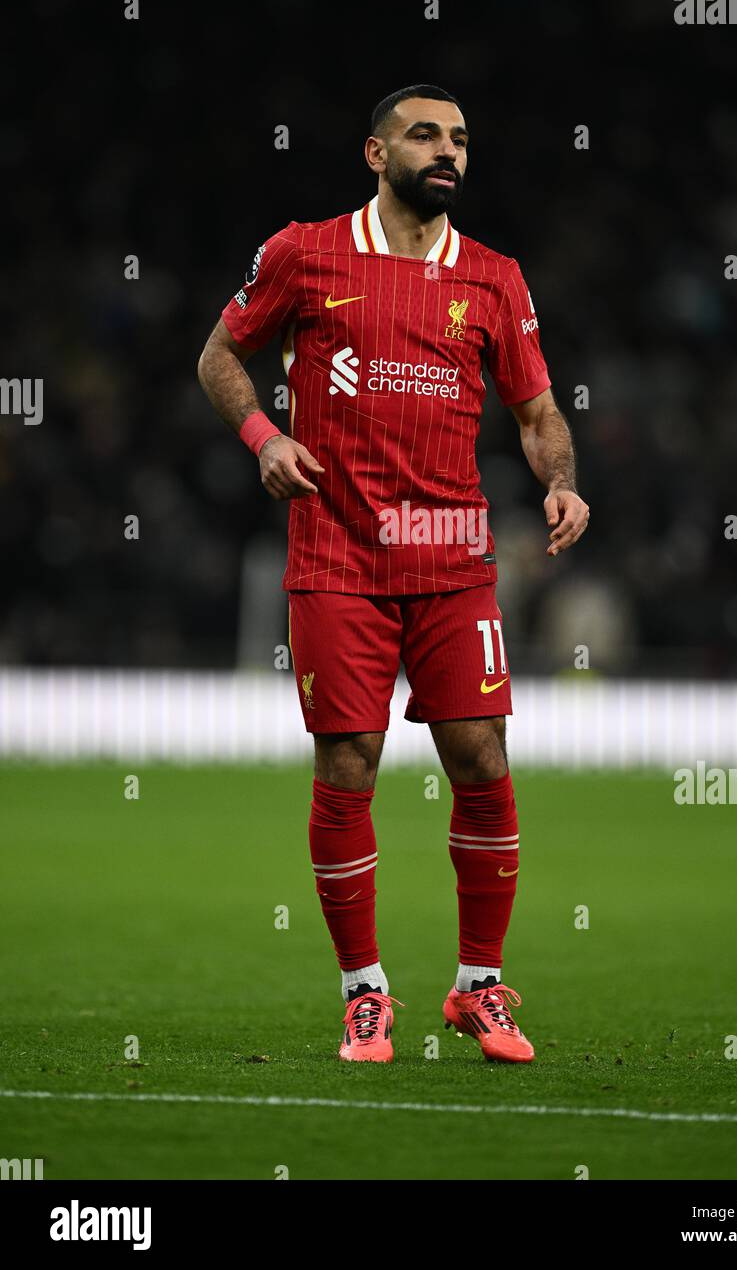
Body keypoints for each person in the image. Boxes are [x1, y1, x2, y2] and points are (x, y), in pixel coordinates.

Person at [198, 84, 590, 1062]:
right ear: (375, 153)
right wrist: (261, 436)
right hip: (335, 560)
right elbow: (218, 355)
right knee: (347, 767)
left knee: (482, 759)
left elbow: (537, 414)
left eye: (459, 136)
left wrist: (563, 483)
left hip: (453, 560)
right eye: (425, 134)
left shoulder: (494, 278)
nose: (447, 150)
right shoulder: (305, 252)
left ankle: (478, 986)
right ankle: (363, 991)